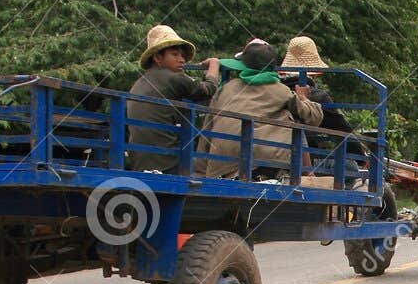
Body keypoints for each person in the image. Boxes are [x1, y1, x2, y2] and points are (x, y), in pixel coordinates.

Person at [200, 39, 323, 180]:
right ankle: (306, 172)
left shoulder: (226, 88)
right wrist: (303, 97)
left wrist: (199, 173)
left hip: (220, 164)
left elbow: (207, 129)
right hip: (263, 160)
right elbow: (314, 117)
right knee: (290, 116)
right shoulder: (281, 90)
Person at [127, 25, 220, 172]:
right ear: (158, 57)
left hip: (140, 162)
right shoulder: (172, 77)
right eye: (175, 54)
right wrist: (215, 64)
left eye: (182, 56)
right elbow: (207, 90)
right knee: (203, 167)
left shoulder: (140, 82)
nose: (181, 60)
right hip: (167, 162)